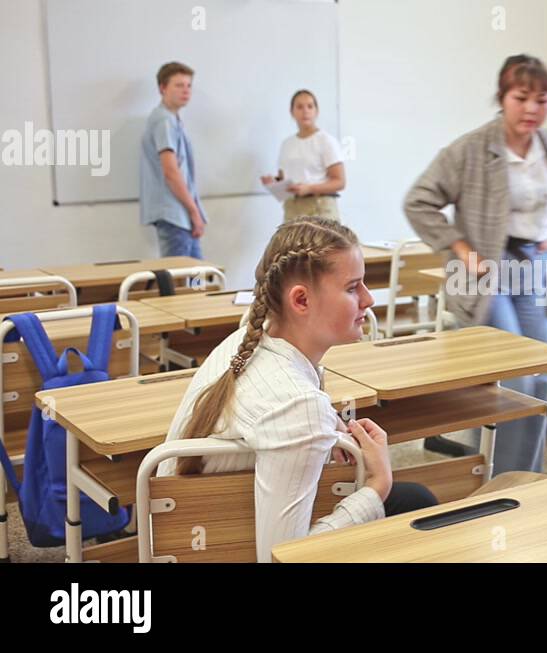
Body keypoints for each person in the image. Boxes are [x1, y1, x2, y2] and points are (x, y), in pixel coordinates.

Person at [158, 217, 437, 563]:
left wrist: (329, 427)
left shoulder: (252, 336)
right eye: (353, 287)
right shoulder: (296, 403)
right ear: (301, 301)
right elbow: (282, 557)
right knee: (414, 510)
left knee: (413, 500)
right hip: (222, 548)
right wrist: (376, 486)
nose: (369, 298)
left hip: (194, 536)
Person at [404, 55, 547, 472]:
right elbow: (418, 201)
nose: (532, 109)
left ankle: (522, 473)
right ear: (502, 98)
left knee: (542, 372)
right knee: (515, 373)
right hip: (483, 275)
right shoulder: (471, 148)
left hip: (533, 268)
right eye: (522, 98)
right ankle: (503, 479)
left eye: (542, 99)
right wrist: (458, 247)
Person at [140, 61, 206, 258]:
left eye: (188, 85)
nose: (185, 90)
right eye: (178, 85)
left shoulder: (172, 119)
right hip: (175, 215)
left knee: (196, 278)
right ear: (163, 88)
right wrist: (194, 212)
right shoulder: (164, 121)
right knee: (183, 280)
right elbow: (171, 172)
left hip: (181, 215)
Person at [261, 90, 346, 222]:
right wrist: (274, 183)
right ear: (292, 112)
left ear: (317, 111)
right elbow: (284, 179)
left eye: (310, 106)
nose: (305, 111)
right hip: (292, 210)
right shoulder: (287, 144)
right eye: (300, 107)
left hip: (320, 209)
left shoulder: (326, 140)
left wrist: (309, 188)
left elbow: (340, 181)